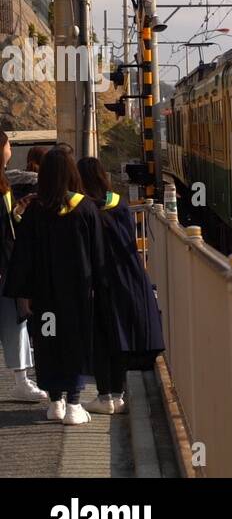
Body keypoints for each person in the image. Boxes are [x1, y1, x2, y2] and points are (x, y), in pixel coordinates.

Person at [3, 149, 107, 425]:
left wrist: (23, 296)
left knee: (48, 343)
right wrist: (101, 289)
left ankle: (55, 403)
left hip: (44, 299)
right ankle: (74, 403)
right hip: (77, 297)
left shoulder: (35, 212)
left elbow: (23, 257)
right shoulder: (85, 208)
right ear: (72, 174)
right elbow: (99, 256)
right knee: (74, 342)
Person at [77, 158, 165, 415]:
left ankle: (104, 397)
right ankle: (118, 395)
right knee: (120, 337)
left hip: (98, 280)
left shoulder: (84, 209)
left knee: (101, 339)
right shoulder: (119, 204)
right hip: (128, 276)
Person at [0, 130, 46, 401]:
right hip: (5, 266)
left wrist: (17, 213)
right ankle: (21, 381)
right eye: (8, 144)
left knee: (15, 322)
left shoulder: (5, 183)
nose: (11, 148)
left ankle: (22, 380)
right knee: (14, 321)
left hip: (9, 265)